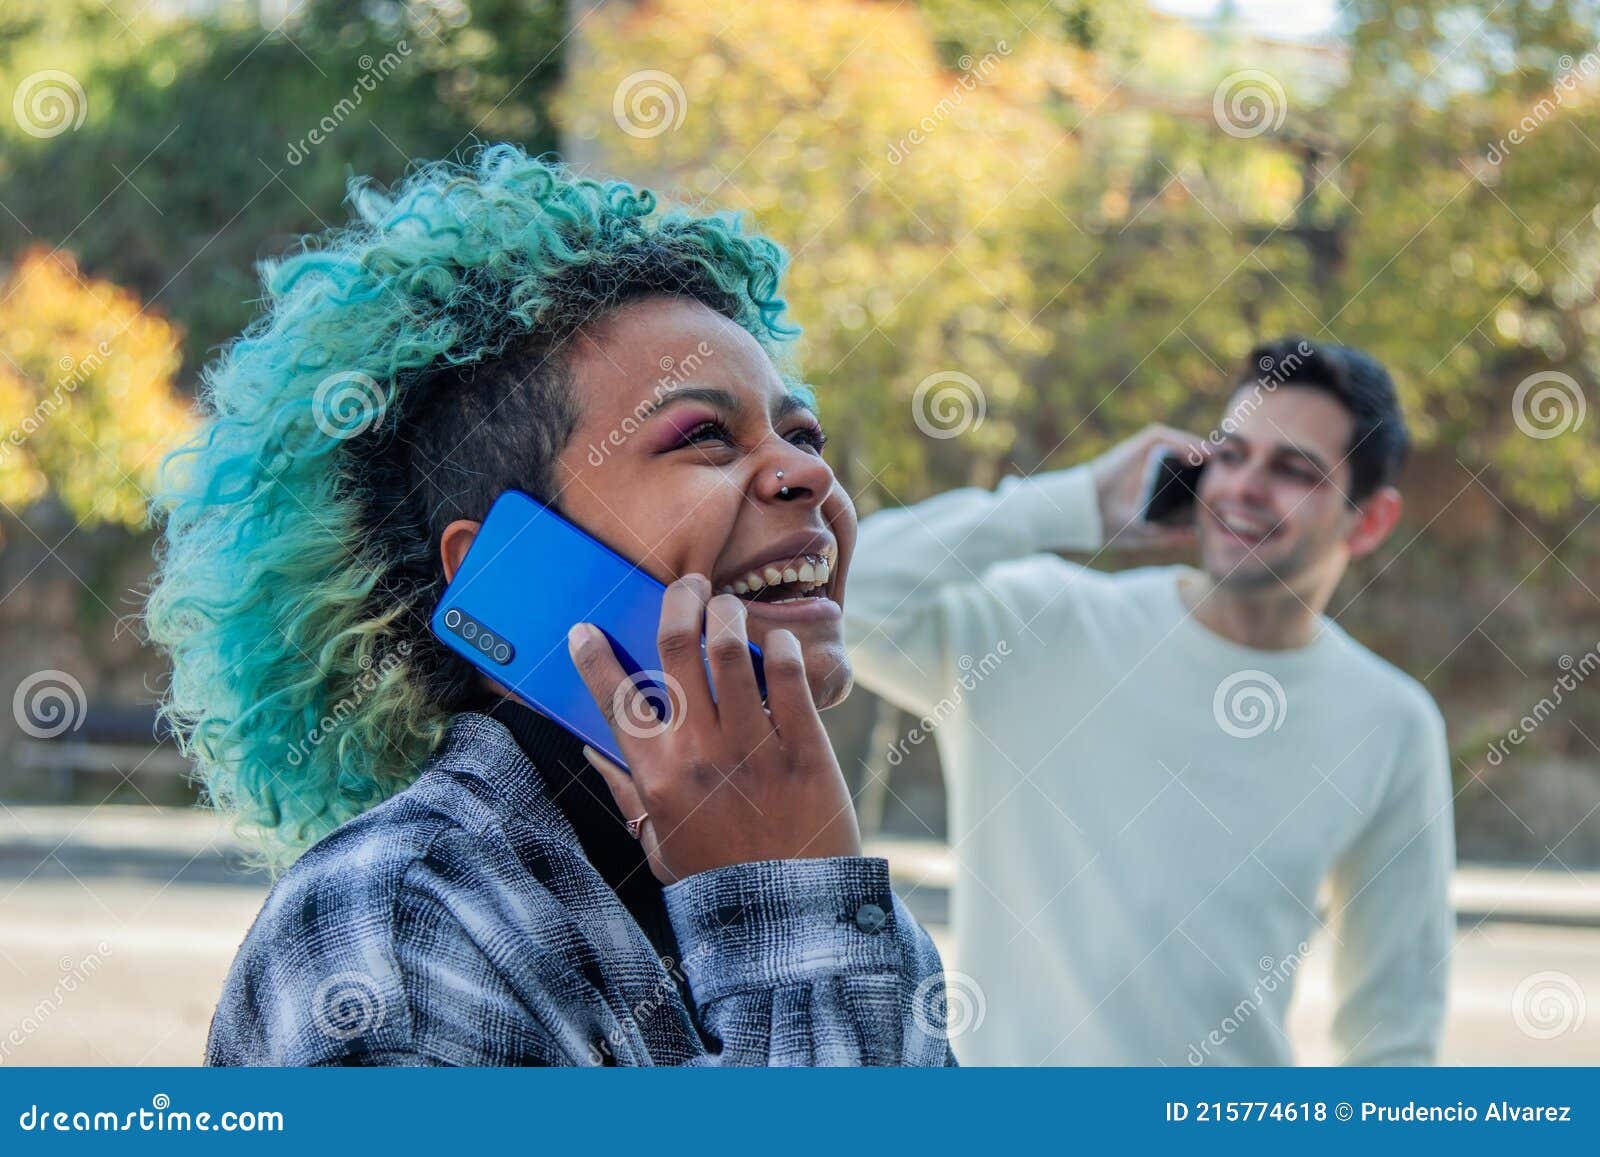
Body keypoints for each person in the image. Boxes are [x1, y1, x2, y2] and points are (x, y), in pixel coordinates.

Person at [146, 145, 954, 1066]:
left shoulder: (848, 906)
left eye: (803, 433)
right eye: (704, 436)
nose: (811, 472)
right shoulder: (393, 931)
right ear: (504, 569)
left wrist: (795, 903)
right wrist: (790, 930)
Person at [845, 338, 1455, 1066]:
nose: (1246, 486)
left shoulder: (1390, 721)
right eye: (1230, 454)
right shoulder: (1035, 625)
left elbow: (1394, 1031)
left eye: (1294, 470)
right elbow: (844, 595)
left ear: (1370, 520)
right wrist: (1073, 503)